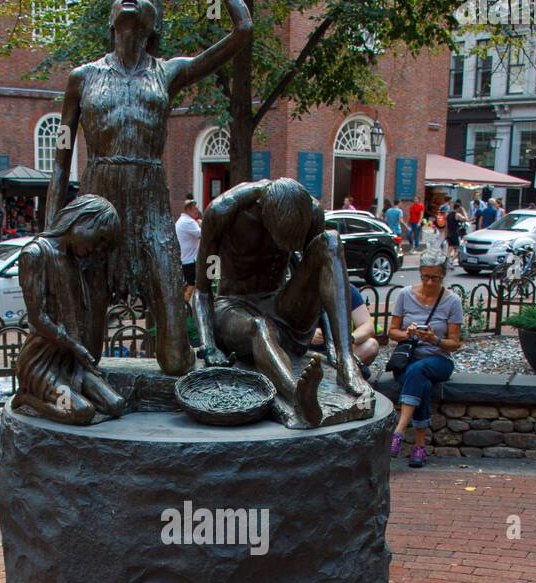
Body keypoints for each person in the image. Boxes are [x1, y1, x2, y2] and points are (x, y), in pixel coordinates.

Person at [45, 0, 252, 379]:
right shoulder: (81, 79)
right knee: (89, 349)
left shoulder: (169, 72)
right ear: (111, 18)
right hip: (97, 202)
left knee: (176, 360)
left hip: (151, 203)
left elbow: (242, 30)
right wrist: (51, 233)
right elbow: (62, 157)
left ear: (153, 20)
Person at [192, 177, 374, 427]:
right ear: (266, 214)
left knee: (329, 241)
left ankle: (346, 363)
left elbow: (322, 283)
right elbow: (203, 290)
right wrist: (209, 345)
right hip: (235, 307)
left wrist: (333, 346)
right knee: (259, 326)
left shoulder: (312, 212)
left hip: (281, 307)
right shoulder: (224, 212)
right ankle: (297, 394)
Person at [15, 195, 126, 425]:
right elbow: (38, 317)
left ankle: (73, 394)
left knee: (115, 405)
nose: (96, 248)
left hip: (71, 362)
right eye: (98, 239)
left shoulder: (75, 261)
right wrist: (75, 347)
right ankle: (27, 398)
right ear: (82, 221)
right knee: (81, 412)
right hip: (42, 364)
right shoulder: (35, 254)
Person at [388, 251, 463, 468]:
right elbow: (392, 332)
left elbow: (455, 343)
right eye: (425, 277)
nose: (429, 282)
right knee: (422, 382)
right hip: (409, 359)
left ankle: (399, 430)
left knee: (419, 371)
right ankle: (419, 446)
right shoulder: (405, 295)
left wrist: (435, 339)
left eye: (435, 278)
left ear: (443, 277)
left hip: (438, 359)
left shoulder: (452, 301)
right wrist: (408, 334)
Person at [175, 197, 202, 301]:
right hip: (189, 260)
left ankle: (185, 305)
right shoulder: (188, 222)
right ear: (188, 210)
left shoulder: (182, 220)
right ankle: (184, 308)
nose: (197, 212)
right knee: (192, 284)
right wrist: (201, 223)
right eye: (195, 209)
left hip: (185, 258)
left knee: (189, 284)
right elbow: (202, 234)